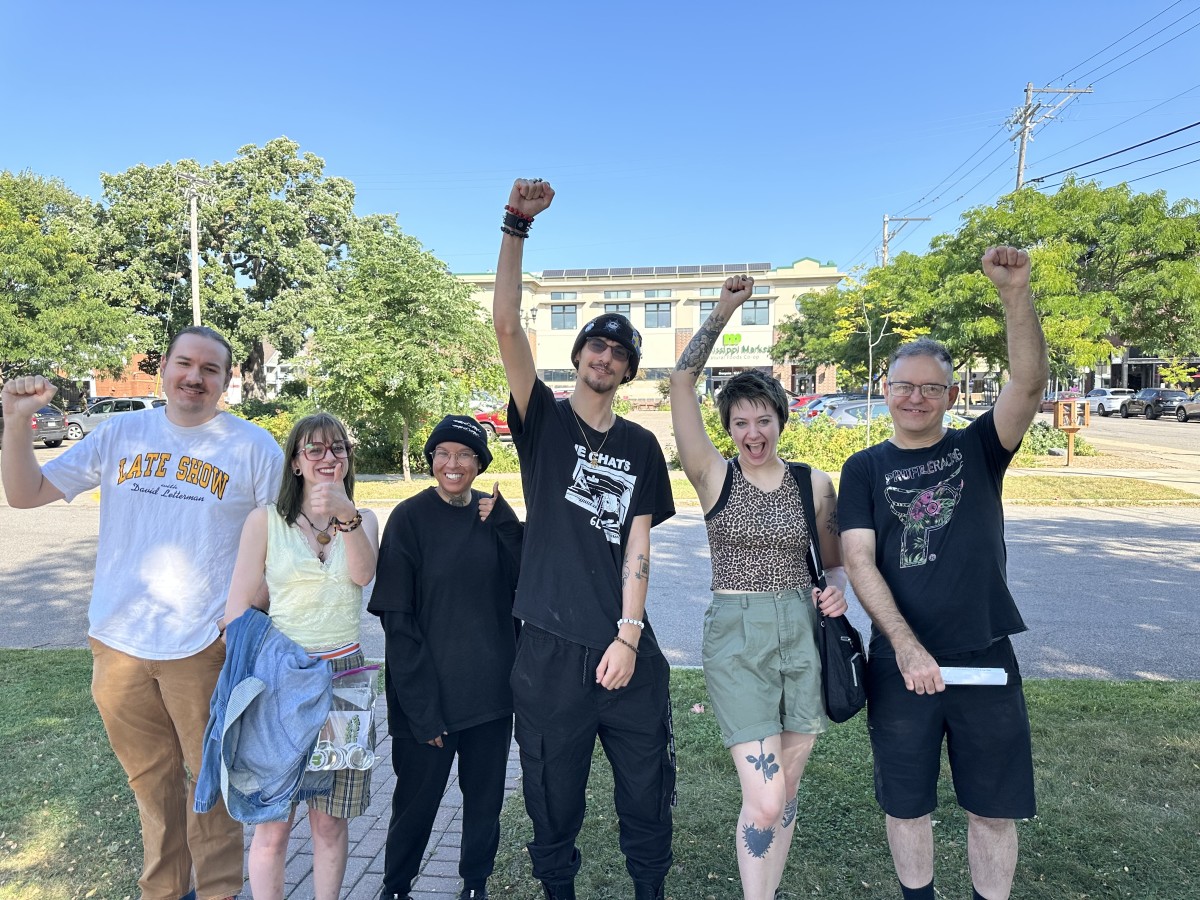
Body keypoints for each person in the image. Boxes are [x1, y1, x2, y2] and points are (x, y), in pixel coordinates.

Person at [0, 326, 282, 900]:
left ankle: (221, 892)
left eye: (210, 369)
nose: (195, 377)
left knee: (211, 785)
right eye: (185, 363)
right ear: (165, 369)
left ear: (227, 381)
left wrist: (243, 616)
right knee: (150, 786)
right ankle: (164, 891)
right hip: (119, 642)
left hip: (204, 646)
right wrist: (15, 419)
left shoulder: (255, 448)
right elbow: (25, 494)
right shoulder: (121, 433)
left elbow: (279, 549)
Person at [837, 247, 1049, 900]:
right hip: (901, 668)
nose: (916, 397)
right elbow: (859, 560)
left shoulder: (979, 447)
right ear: (886, 391)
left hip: (984, 657)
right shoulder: (865, 469)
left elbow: (1029, 382)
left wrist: (1015, 294)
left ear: (952, 395)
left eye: (932, 387)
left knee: (991, 809)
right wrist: (904, 646)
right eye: (904, 385)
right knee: (907, 806)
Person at [493, 179, 677, 900]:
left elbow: (637, 545)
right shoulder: (541, 421)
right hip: (546, 651)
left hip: (622, 646)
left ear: (629, 370)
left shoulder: (638, 444)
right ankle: (558, 888)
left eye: (618, 351)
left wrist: (629, 637)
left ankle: (650, 888)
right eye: (595, 346)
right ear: (579, 357)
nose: (604, 357)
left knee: (645, 787)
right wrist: (516, 227)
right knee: (551, 791)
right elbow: (508, 326)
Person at [669, 279, 849, 900]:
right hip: (738, 639)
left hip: (802, 634)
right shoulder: (712, 475)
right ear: (728, 427)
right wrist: (724, 311)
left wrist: (840, 591)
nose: (752, 432)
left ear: (780, 418)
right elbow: (681, 383)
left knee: (787, 794)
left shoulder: (814, 482)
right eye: (740, 422)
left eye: (762, 419)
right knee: (765, 798)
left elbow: (832, 560)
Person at [221, 411, 380, 900]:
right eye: (315, 449)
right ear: (295, 462)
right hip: (282, 679)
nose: (328, 458)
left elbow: (361, 575)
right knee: (273, 821)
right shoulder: (264, 521)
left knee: (330, 822)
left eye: (338, 449)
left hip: (344, 680)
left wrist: (343, 512)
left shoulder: (364, 518)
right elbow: (238, 609)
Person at [370, 415, 524, 900]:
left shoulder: (493, 513)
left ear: (480, 462)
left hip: (491, 696)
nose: (452, 463)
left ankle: (474, 885)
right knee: (415, 804)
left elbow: (527, 582)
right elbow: (397, 620)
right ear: (431, 459)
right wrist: (421, 708)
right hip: (427, 698)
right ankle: (396, 887)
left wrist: (506, 522)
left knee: (484, 802)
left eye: (464, 454)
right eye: (443, 453)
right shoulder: (409, 519)